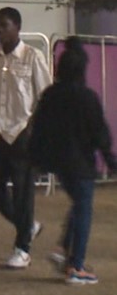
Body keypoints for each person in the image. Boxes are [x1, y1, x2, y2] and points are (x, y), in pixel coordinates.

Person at [28, 37, 117, 286]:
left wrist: (36, 159)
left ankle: (63, 250)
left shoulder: (50, 95)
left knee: (78, 204)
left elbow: (38, 128)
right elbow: (100, 133)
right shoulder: (87, 97)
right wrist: (111, 161)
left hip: (58, 163)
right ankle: (76, 266)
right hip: (81, 164)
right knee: (83, 209)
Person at [0, 6, 52, 269]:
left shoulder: (33, 57)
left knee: (23, 193)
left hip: (21, 132)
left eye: (4, 25)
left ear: (17, 28)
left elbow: (45, 97)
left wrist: (33, 129)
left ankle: (23, 249)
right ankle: (28, 225)